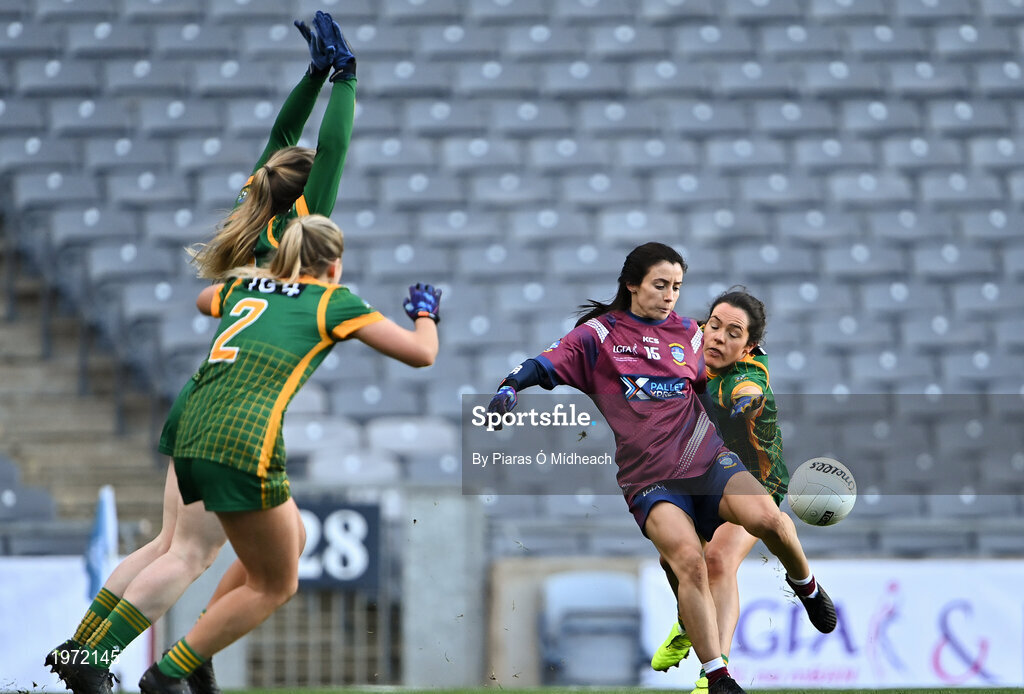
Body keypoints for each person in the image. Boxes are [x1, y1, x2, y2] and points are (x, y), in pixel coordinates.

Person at [46, 12, 359, 694]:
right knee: (187, 552)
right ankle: (98, 659)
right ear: (304, 196)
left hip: (202, 397)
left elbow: (284, 141)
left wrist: (316, 78)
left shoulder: (257, 217)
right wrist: (348, 84)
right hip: (233, 412)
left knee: (198, 544)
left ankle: (103, 647)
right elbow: (328, 154)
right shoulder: (302, 236)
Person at [66, 215, 439, 694]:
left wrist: (264, 279)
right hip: (240, 434)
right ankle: (159, 669)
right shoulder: (332, 301)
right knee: (265, 580)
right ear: (334, 265)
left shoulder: (249, 288)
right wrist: (425, 314)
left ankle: (133, 649)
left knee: (282, 536)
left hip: (194, 415)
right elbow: (420, 354)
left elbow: (206, 299)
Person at [486, 242, 834, 694]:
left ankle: (806, 587)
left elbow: (735, 371)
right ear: (632, 284)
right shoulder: (598, 337)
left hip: (709, 462)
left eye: (677, 287)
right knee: (691, 562)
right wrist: (511, 387)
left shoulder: (690, 333)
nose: (670, 295)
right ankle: (718, 678)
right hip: (650, 479)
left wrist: (745, 391)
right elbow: (544, 362)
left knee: (769, 518)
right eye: (660, 285)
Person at [650, 289, 792, 694]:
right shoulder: (687, 340)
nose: (719, 337)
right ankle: (688, 619)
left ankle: (713, 677)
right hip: (702, 473)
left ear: (749, 345)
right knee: (672, 556)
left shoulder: (748, 370)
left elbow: (751, 388)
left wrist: (743, 404)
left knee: (718, 560)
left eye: (734, 332)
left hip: (755, 478)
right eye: (715, 325)